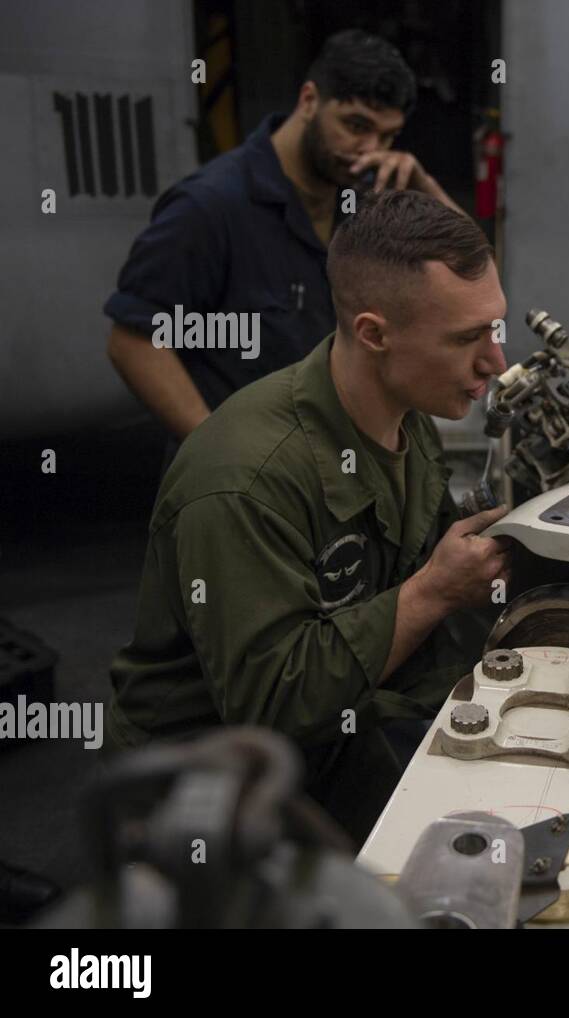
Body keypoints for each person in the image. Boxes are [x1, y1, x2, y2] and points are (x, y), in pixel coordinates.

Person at [107, 191, 511, 844]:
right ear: (374, 334)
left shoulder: (407, 421)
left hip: (344, 733)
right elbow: (272, 704)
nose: (494, 362)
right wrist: (435, 590)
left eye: (496, 328)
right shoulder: (246, 480)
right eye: (467, 338)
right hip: (212, 785)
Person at [105, 28, 462, 459]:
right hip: (242, 489)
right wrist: (219, 452)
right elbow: (135, 342)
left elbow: (468, 268)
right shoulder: (210, 206)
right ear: (309, 100)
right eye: (355, 126)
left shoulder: (362, 199)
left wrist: (426, 186)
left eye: (387, 136)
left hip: (331, 474)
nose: (370, 149)